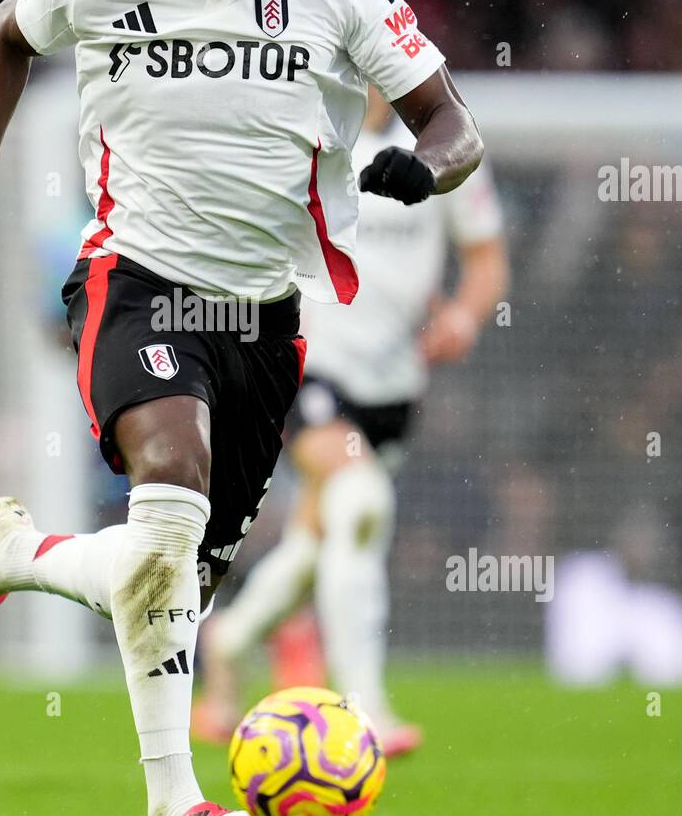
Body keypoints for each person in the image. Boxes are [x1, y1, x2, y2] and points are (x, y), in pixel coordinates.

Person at [0, 0, 483, 816]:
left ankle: (17, 557)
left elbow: (453, 126)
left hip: (263, 322)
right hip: (134, 280)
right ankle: (176, 810)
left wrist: (426, 169)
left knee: (170, 586)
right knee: (165, 505)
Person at [192, 85, 508, 756]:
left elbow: (486, 258)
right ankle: (365, 708)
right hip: (311, 368)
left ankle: (231, 639)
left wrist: (463, 315)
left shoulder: (439, 152)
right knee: (361, 504)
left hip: (395, 383)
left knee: (321, 545)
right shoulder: (302, 141)